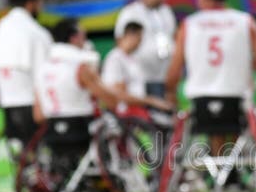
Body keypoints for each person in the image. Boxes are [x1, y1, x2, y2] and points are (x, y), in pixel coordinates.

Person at [165, 0, 256, 155]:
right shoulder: (245, 21)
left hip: (201, 101)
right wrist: (239, 63)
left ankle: (220, 164)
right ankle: (232, 164)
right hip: (236, 98)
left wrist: (170, 93)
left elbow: (174, 71)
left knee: (213, 131)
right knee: (237, 123)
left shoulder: (189, 24)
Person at [34, 19, 163, 162]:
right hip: (81, 130)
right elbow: (110, 100)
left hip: (52, 132)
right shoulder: (81, 67)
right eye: (84, 36)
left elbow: (38, 115)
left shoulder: (42, 69)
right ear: (74, 38)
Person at [0, 0, 53, 144]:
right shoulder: (36, 32)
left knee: (22, 147)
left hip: (7, 105)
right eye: (39, 2)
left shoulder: (2, 27)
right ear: (31, 3)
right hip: (33, 105)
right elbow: (45, 72)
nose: (41, 7)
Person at [114, 0, 177, 98]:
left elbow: (173, 36)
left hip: (165, 74)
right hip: (141, 75)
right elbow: (120, 41)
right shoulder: (130, 12)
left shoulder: (166, 11)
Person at [101, 21, 172, 118]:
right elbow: (117, 94)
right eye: (139, 38)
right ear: (131, 36)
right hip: (124, 115)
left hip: (137, 111)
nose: (140, 42)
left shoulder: (132, 58)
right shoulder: (115, 58)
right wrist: (151, 101)